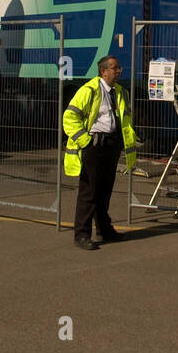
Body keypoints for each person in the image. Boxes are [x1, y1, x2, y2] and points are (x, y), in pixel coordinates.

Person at [62, 55, 137, 250]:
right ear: (103, 71)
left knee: (105, 191)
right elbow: (69, 117)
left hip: (111, 145)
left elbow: (123, 120)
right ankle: (82, 235)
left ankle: (104, 229)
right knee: (89, 192)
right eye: (114, 68)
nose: (118, 70)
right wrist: (85, 141)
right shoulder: (89, 90)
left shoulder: (120, 92)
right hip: (94, 146)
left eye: (118, 67)